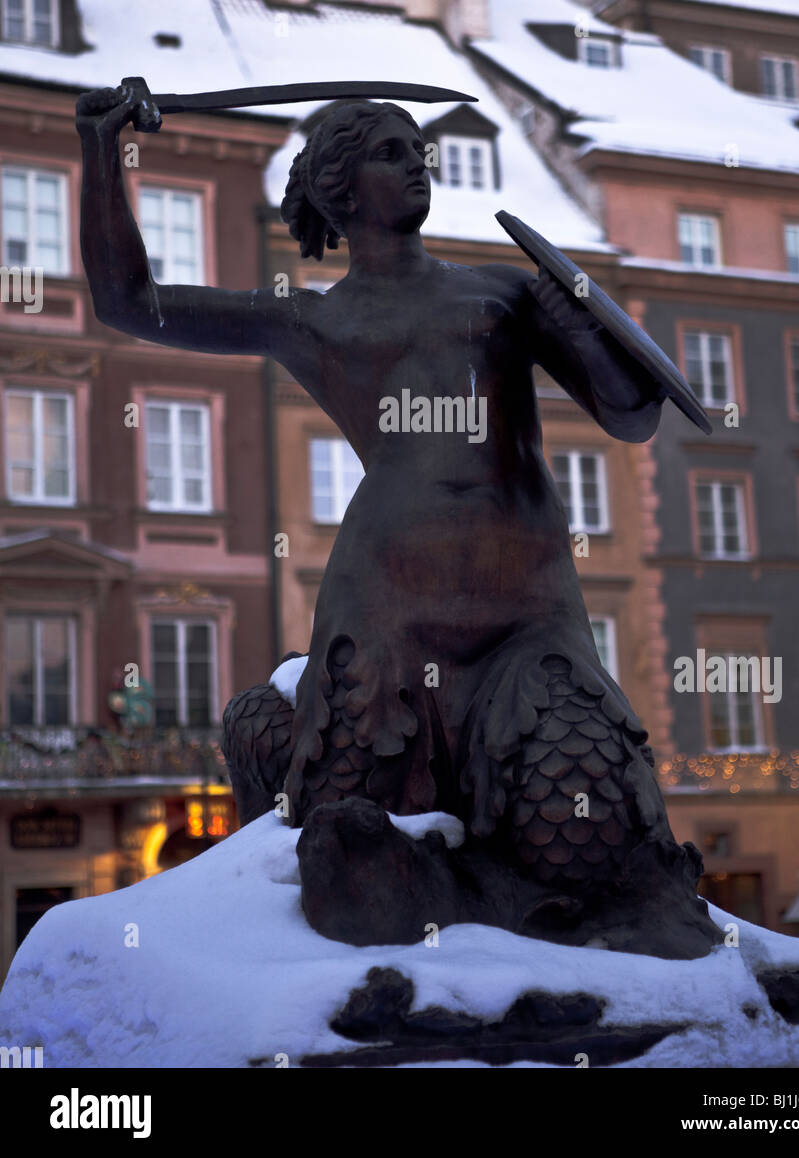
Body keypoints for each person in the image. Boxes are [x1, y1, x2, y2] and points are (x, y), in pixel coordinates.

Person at [76, 85, 679, 893]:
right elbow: (128, 303)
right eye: (391, 152)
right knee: (348, 837)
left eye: (419, 149)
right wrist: (100, 151)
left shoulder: (501, 294)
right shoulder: (313, 320)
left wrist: (575, 320)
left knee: (584, 828)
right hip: (387, 612)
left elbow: (634, 413)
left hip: (527, 617)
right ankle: (273, 736)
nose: (417, 163)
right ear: (341, 188)